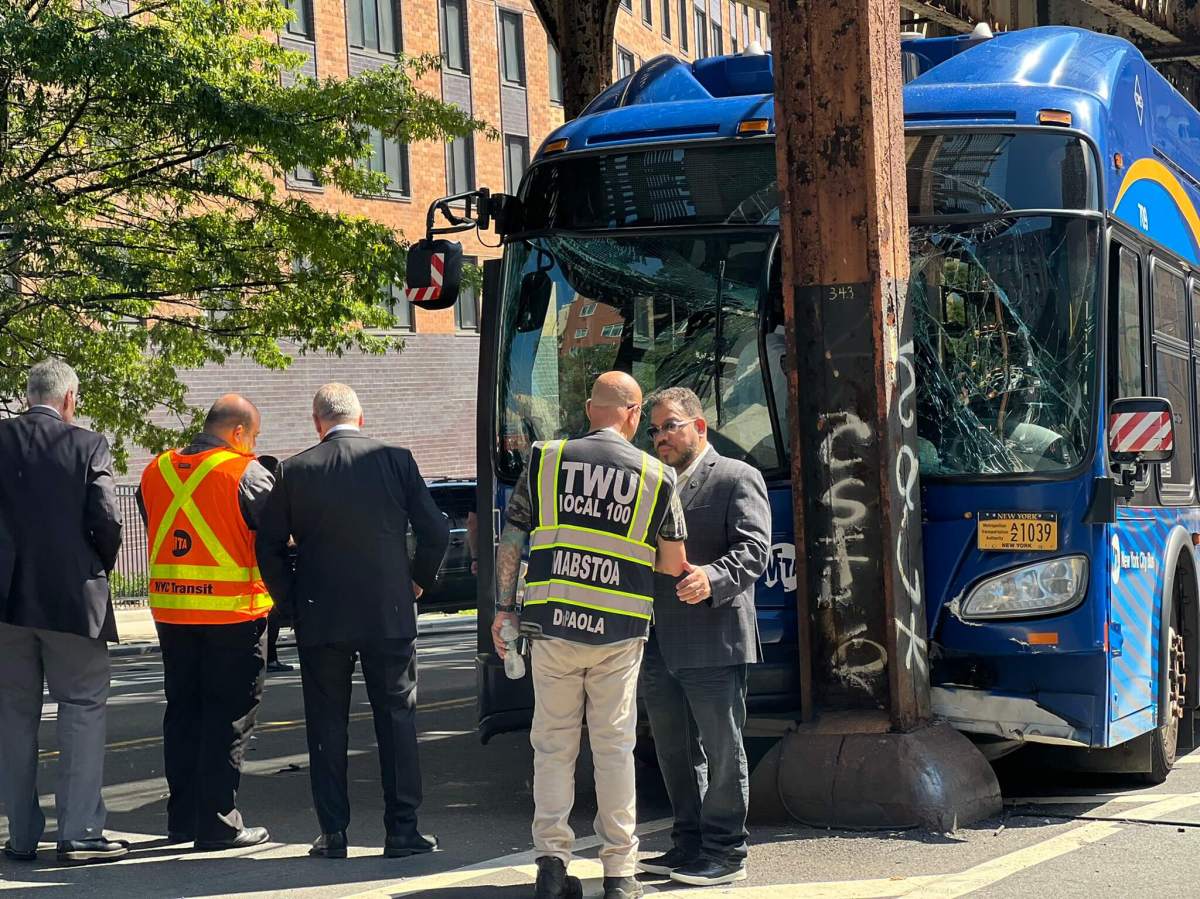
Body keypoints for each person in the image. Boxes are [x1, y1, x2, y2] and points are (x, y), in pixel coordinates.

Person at [492, 371, 687, 899]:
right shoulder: (656, 474)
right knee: (614, 748)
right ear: (633, 413)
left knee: (552, 746)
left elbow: (512, 538)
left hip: (553, 625)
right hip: (620, 632)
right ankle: (620, 874)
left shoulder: (545, 458)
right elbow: (672, 563)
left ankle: (552, 867)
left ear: (588, 408)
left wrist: (503, 610)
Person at [255, 383, 449, 860]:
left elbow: (269, 546)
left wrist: (292, 604)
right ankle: (402, 830)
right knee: (397, 719)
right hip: (388, 610)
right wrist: (417, 581)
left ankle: (333, 833)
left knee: (326, 725)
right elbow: (436, 529)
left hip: (322, 614)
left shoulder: (295, 470)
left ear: (316, 422)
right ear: (360, 419)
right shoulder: (396, 459)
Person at [637, 387, 770, 887]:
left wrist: (711, 578)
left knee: (721, 748)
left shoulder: (737, 477)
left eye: (669, 425)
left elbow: (755, 551)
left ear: (700, 427)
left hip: (714, 636)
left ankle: (725, 850)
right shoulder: (652, 483)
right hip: (657, 640)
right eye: (653, 429)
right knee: (673, 752)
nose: (660, 436)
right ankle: (688, 843)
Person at [0, 359, 127, 863]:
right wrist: (97, 566)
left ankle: (22, 834)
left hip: (5, 601)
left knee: (12, 714)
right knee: (81, 707)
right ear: (70, 399)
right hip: (72, 598)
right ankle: (79, 832)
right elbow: (107, 518)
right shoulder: (88, 444)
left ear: (28, 395)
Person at [138, 394, 274, 851]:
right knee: (228, 719)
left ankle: (183, 821)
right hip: (233, 617)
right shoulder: (245, 472)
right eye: (252, 438)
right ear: (238, 433)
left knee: (183, 715)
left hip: (173, 616)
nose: (253, 446)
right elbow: (277, 535)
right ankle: (218, 824)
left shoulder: (154, 470)